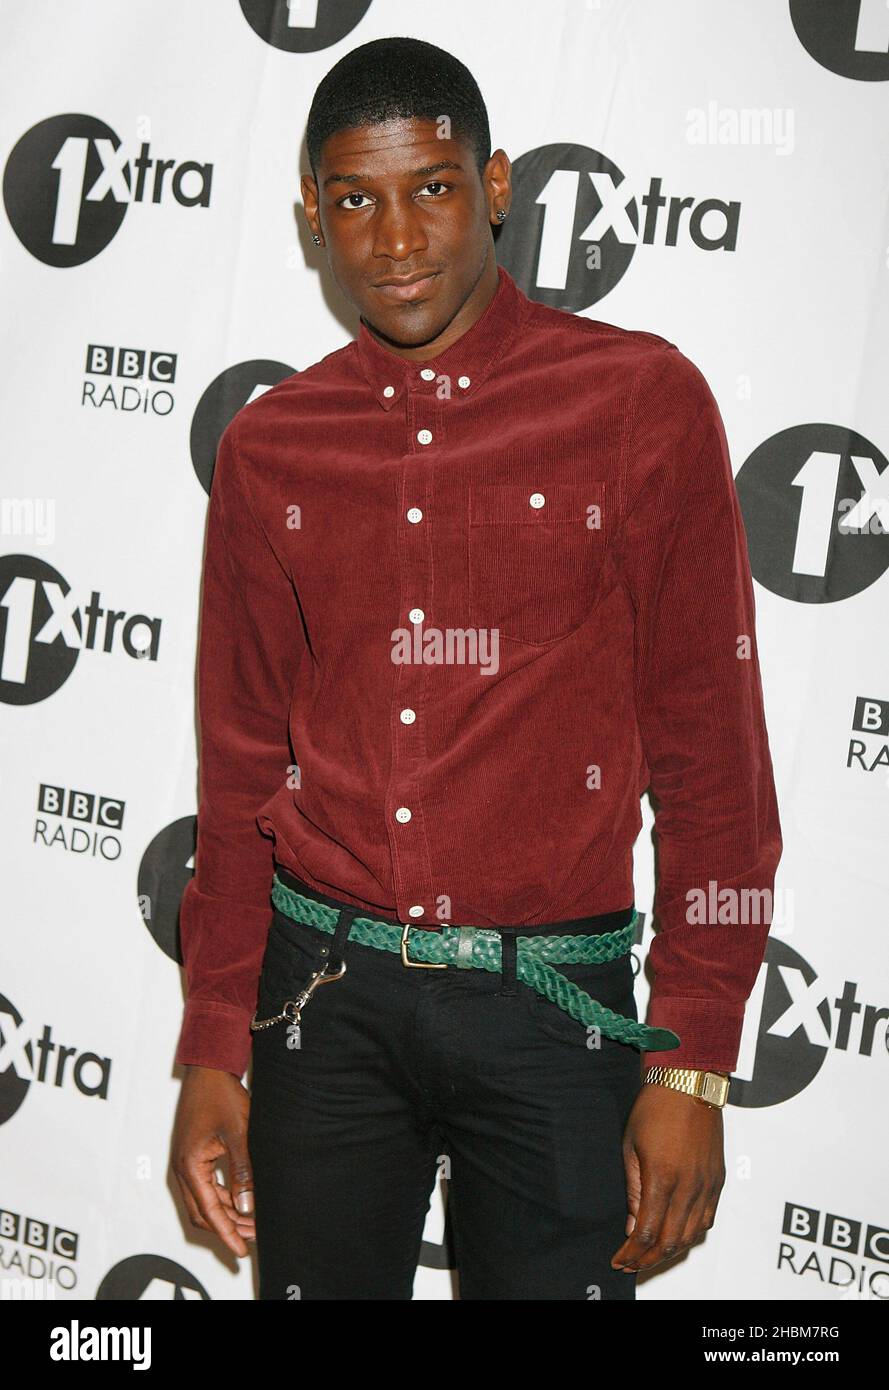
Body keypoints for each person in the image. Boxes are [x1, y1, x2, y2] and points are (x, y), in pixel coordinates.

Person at [171, 35, 783, 1300]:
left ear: (496, 184)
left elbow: (712, 758)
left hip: (558, 1011)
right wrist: (212, 1047)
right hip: (320, 1002)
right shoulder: (270, 450)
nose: (395, 240)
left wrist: (690, 1062)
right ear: (312, 219)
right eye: (354, 200)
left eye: (431, 188)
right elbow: (237, 774)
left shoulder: (639, 403)